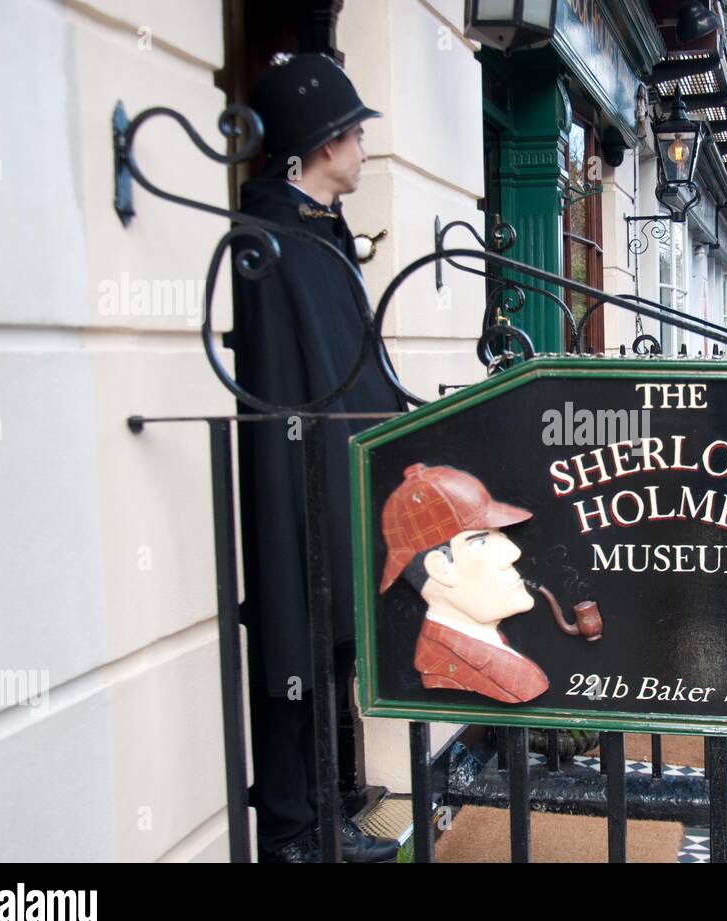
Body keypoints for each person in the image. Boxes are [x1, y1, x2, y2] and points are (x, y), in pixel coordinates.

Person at [229, 52, 404, 863]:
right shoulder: (268, 234)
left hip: (345, 465)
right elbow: (282, 378)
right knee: (296, 637)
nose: (366, 144)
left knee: (335, 640)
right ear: (321, 141)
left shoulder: (317, 230)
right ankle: (297, 835)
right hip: (298, 477)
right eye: (356, 131)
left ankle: (329, 813)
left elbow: (355, 362)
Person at [379, 463, 550, 705]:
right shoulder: (446, 666)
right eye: (480, 542)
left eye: (500, 535)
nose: (513, 551)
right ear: (440, 568)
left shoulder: (483, 648)